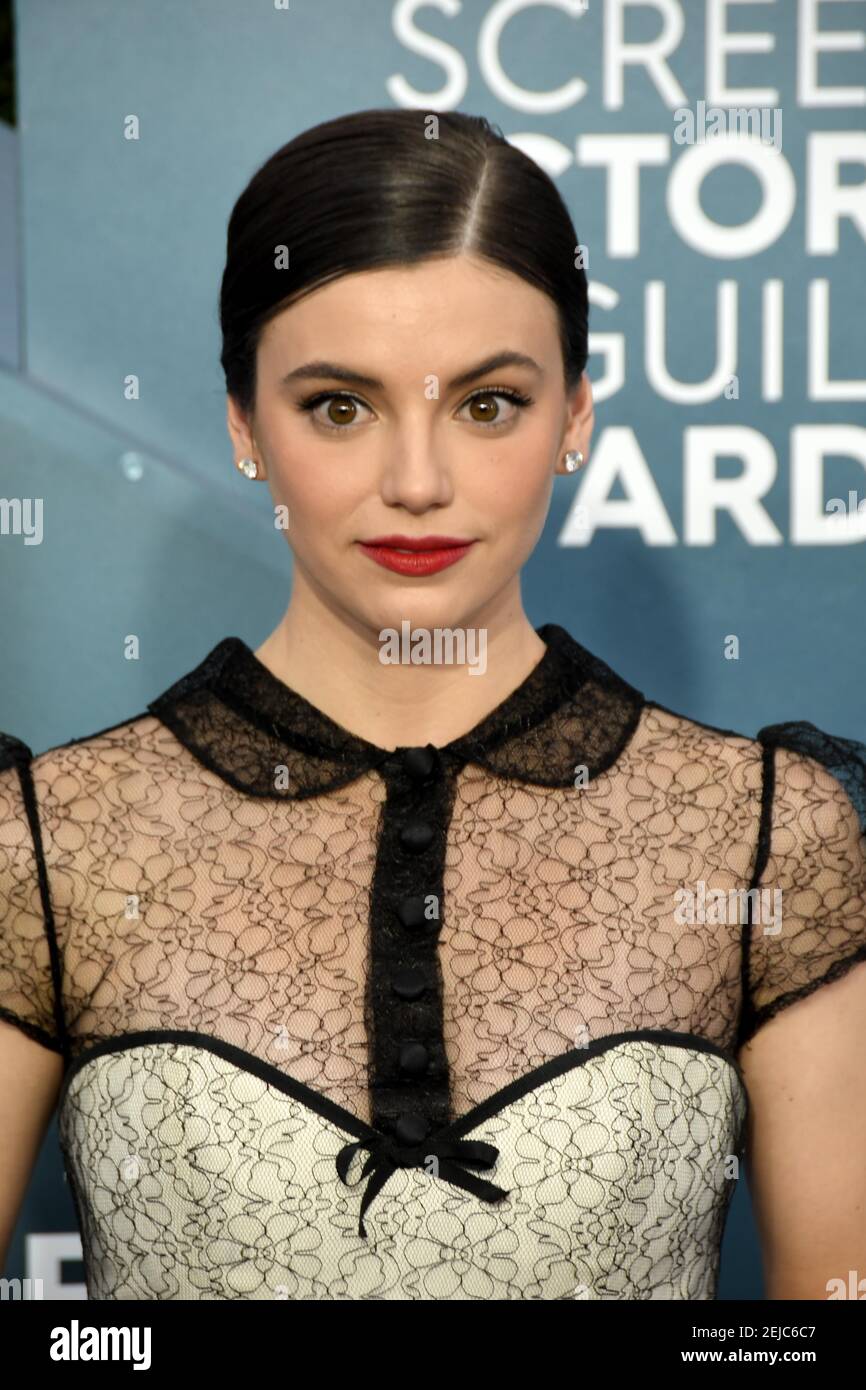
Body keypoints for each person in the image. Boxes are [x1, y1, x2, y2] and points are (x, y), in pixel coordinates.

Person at [1, 108, 865, 1301]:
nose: (415, 482)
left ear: (573, 417)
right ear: (245, 424)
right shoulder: (46, 842)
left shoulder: (768, 833)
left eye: (487, 403)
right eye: (339, 407)